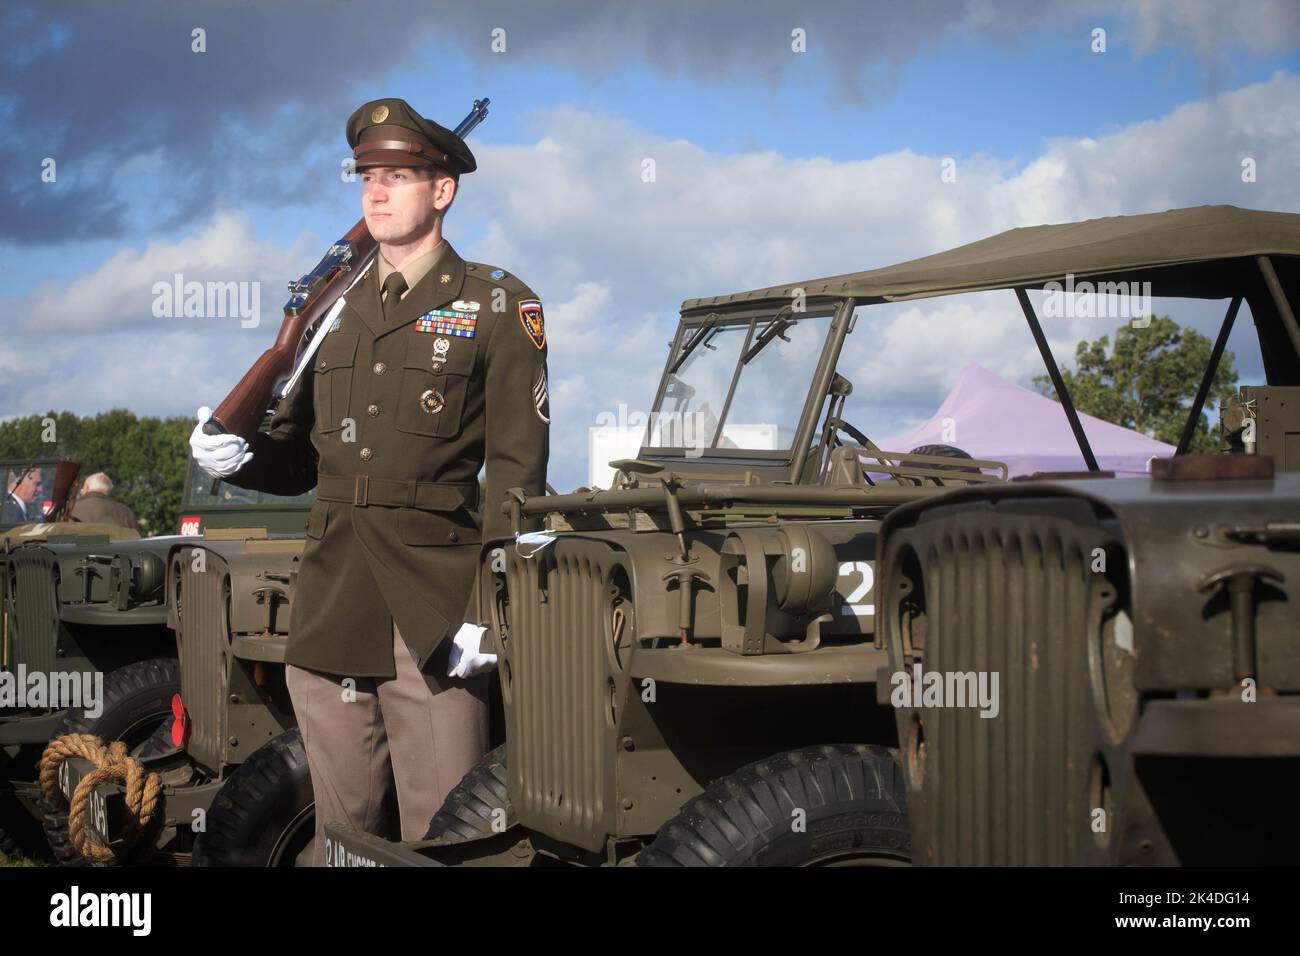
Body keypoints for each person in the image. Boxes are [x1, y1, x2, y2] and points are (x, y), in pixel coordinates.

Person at [189, 97, 549, 865]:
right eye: (367, 178)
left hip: (436, 611)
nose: (376, 193)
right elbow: (302, 458)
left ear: (442, 190)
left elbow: (519, 476)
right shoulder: (334, 314)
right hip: (330, 602)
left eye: (397, 176)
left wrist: (491, 607)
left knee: (445, 835)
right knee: (343, 834)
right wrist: (239, 454)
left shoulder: (497, 304)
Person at [69, 472, 140, 531]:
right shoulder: (127, 512)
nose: (81, 491)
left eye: (82, 488)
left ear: (87, 488)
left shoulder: (68, 509)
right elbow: (137, 543)